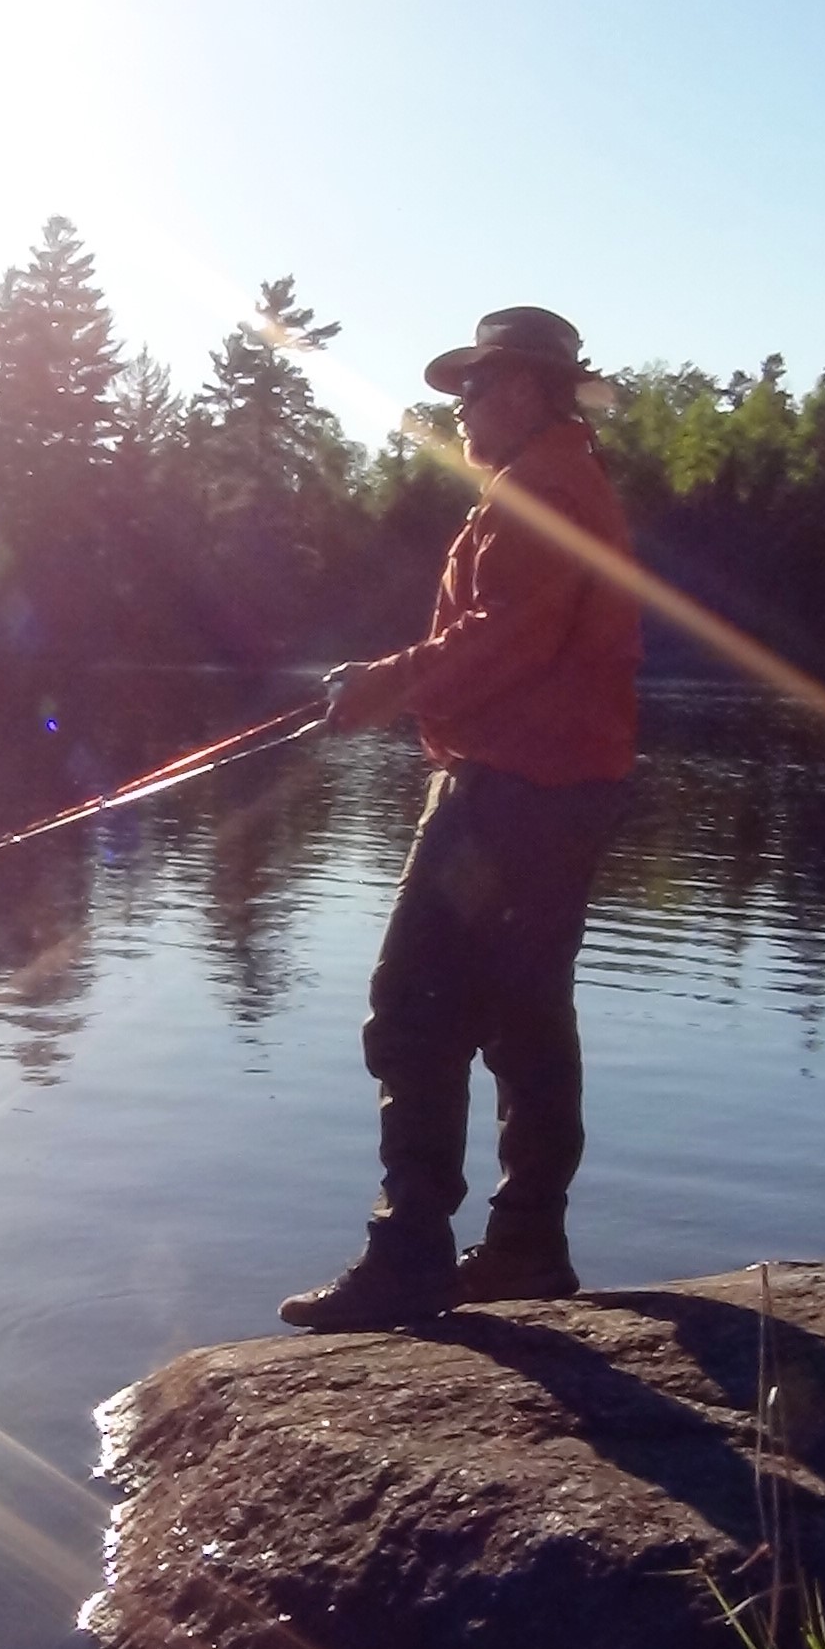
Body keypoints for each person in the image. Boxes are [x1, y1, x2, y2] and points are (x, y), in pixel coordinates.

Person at [280, 307, 641, 1332]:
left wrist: (383, 685)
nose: (461, 408)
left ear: (523, 389)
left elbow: (504, 639)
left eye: (474, 389)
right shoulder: (554, 480)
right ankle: (527, 1247)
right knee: (526, 1016)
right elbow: (504, 638)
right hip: (549, 786)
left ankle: (411, 1256)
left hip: (517, 791)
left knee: (414, 1009)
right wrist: (398, 688)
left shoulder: (542, 487)